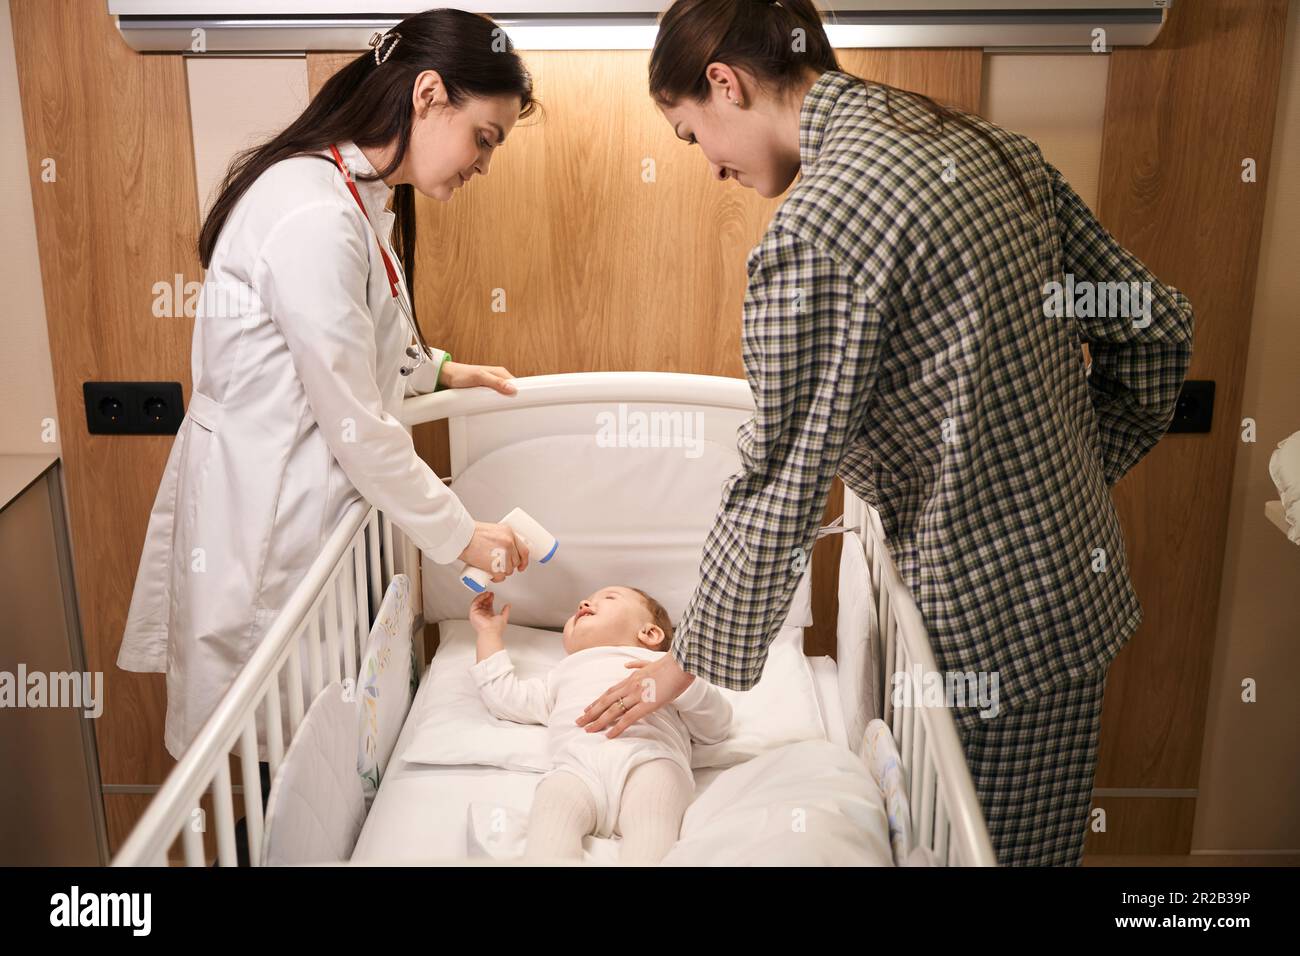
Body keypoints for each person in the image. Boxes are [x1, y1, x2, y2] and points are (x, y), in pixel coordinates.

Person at [578, 0, 1194, 866]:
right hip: (1073, 599)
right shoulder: (990, 148)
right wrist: (1075, 474)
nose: (711, 167)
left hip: (984, 630)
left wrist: (688, 659)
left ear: (725, 82)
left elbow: (783, 478)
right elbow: (1157, 330)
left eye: (692, 137)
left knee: (983, 851)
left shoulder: (820, 231)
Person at [118, 9, 538, 760]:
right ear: (430, 94)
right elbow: (355, 422)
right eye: (485, 137)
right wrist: (461, 535)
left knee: (301, 761)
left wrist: (439, 369)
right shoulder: (311, 209)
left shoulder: (352, 195)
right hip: (266, 527)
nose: (484, 164)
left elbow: (353, 341)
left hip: (301, 513)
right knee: (262, 765)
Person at [470, 587, 732, 863]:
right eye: (584, 601)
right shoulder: (561, 674)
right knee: (550, 818)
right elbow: (506, 698)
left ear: (650, 633)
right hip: (577, 768)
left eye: (608, 598)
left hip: (649, 759)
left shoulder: (665, 668)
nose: (584, 602)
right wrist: (488, 634)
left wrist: (683, 687)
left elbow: (715, 727)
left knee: (652, 826)